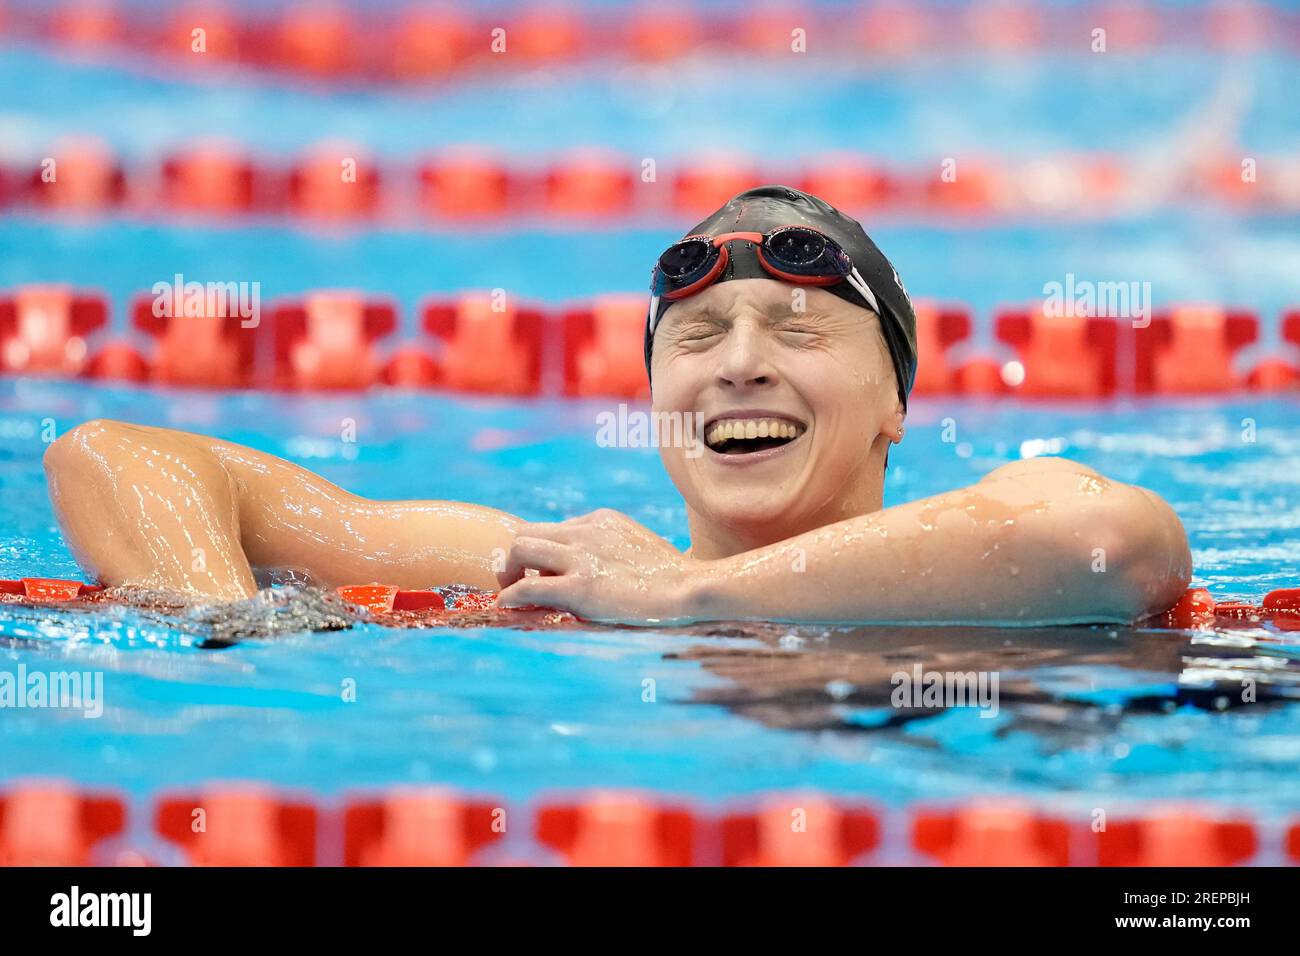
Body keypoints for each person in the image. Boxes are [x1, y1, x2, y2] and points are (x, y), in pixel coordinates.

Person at [43, 186, 1191, 626]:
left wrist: (683, 594)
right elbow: (115, 452)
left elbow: (1099, 545)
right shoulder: (562, 564)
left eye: (796, 330)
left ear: (898, 396)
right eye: (694, 337)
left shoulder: (1008, 509)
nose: (736, 365)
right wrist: (234, 630)